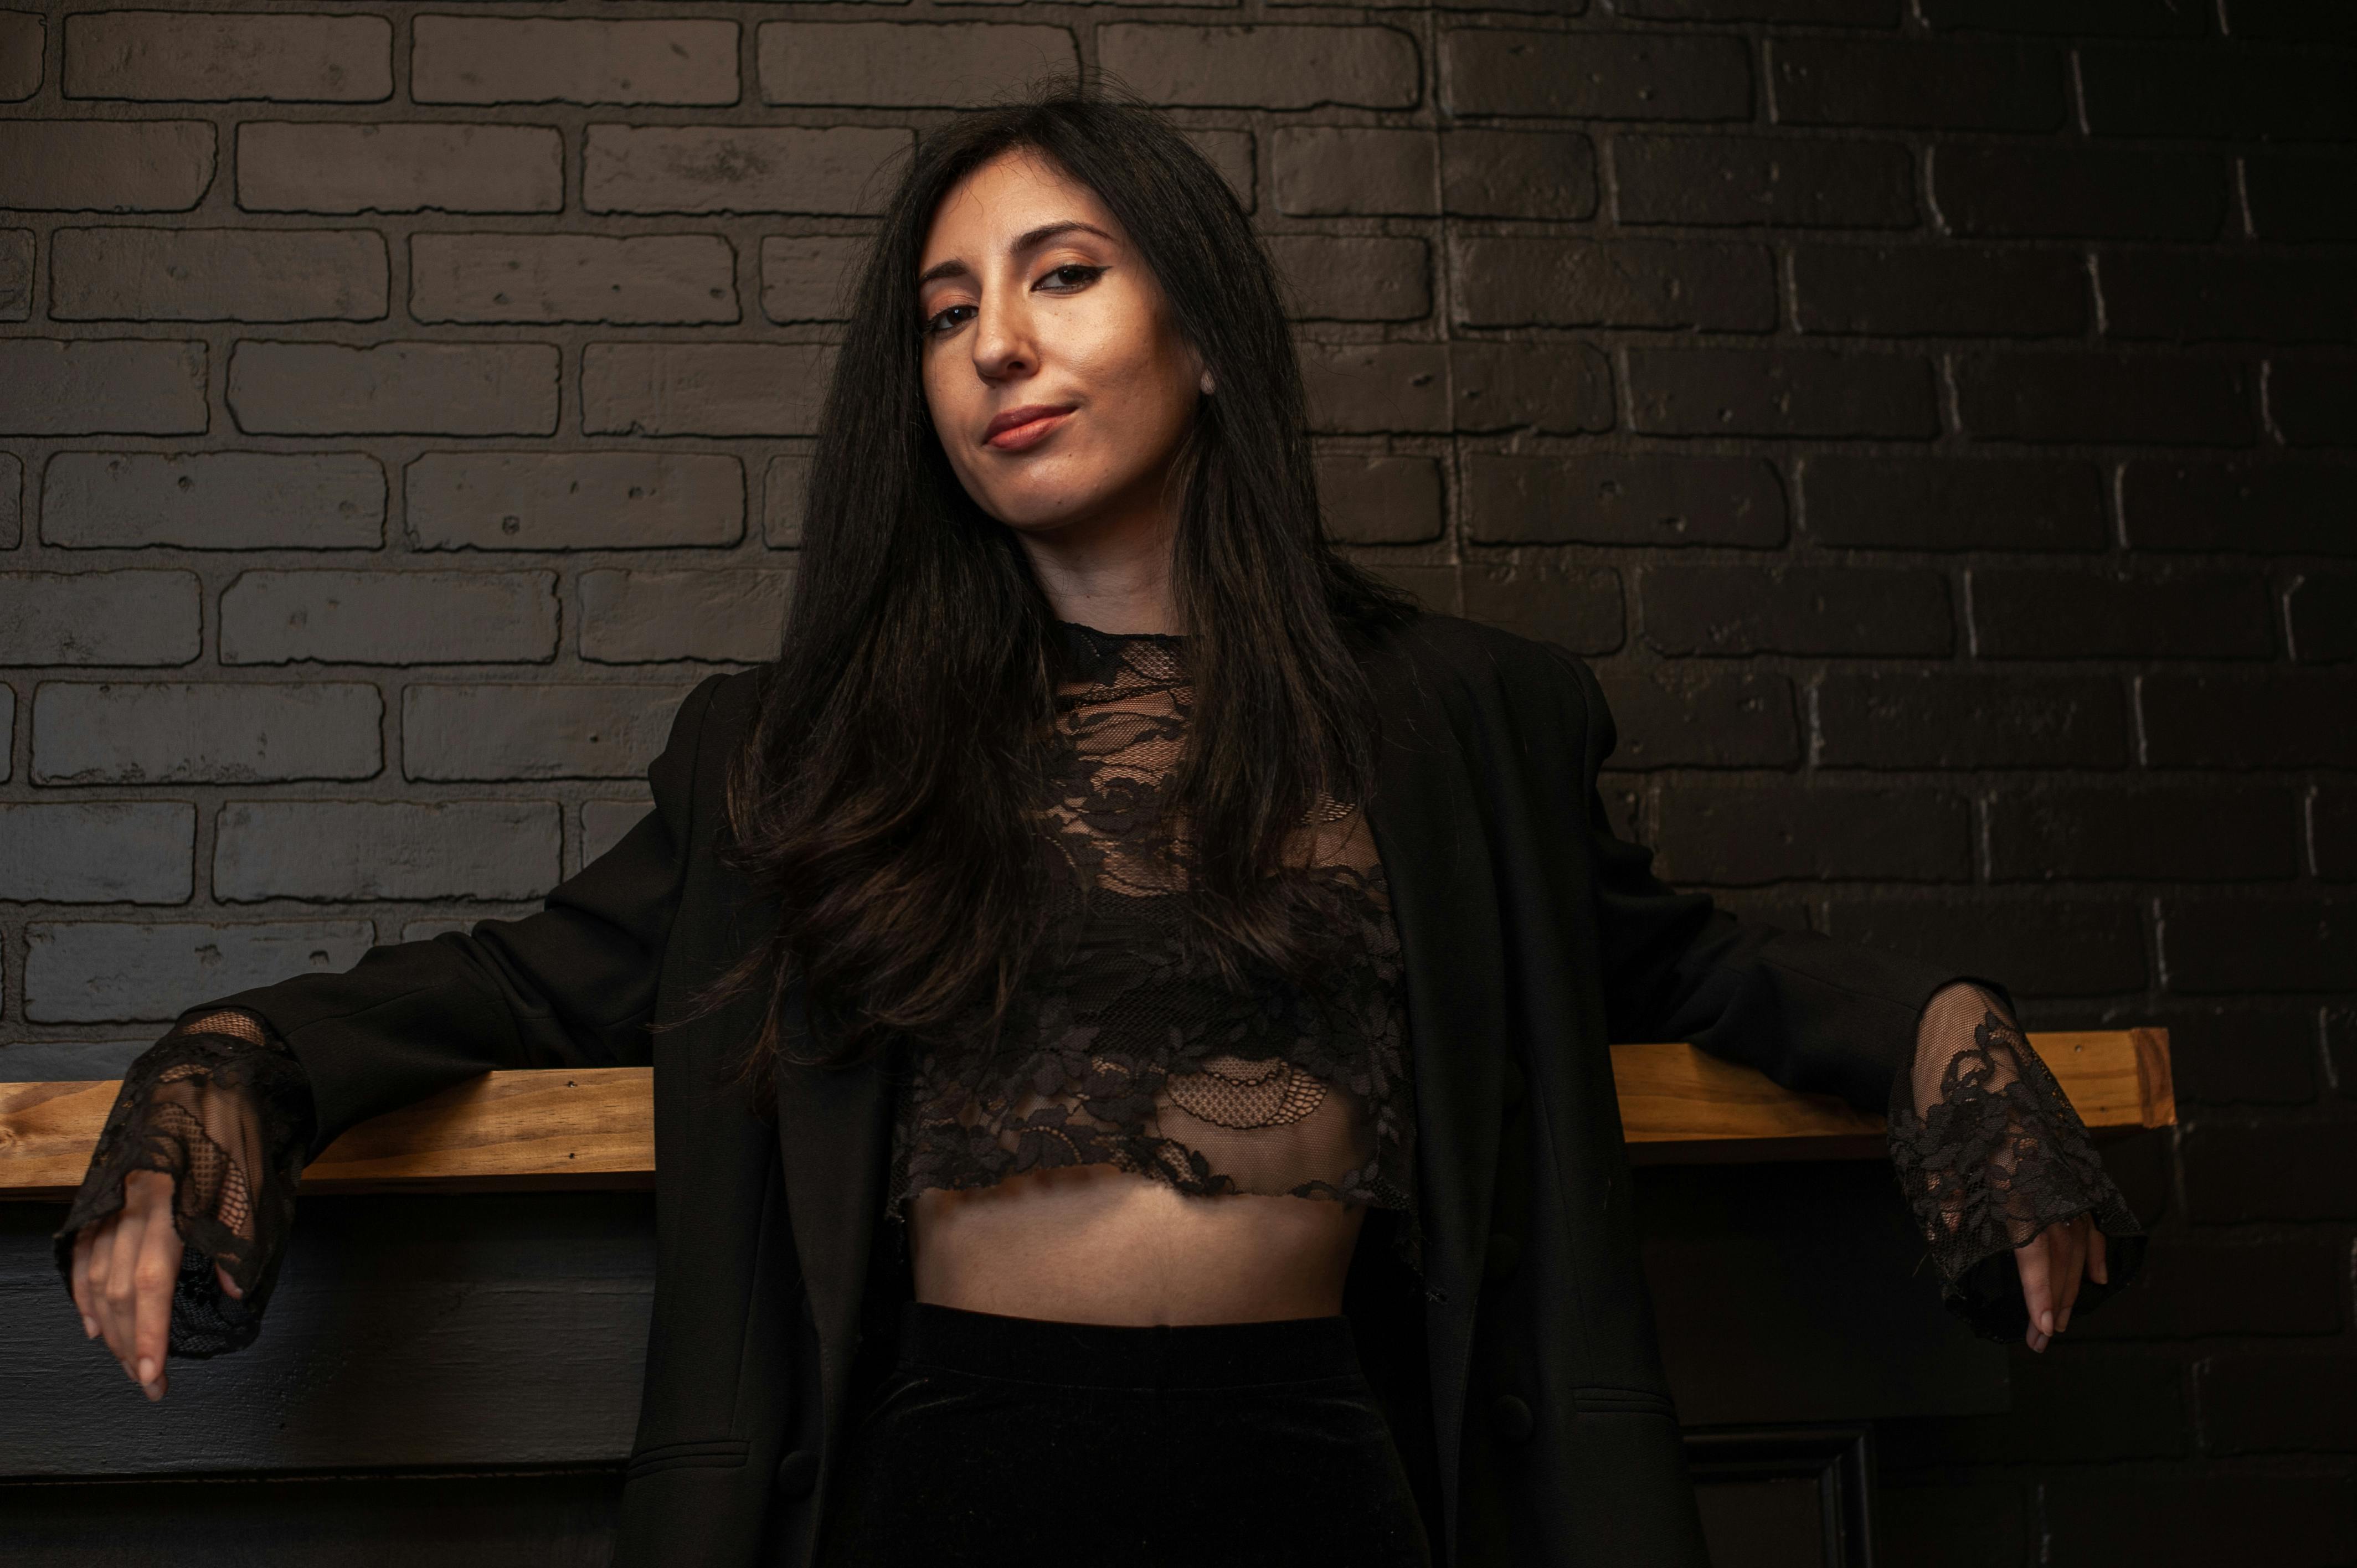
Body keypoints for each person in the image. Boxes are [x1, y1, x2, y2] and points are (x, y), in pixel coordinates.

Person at [55, 86, 2144, 1568]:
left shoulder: (1456, 716)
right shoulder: (798, 748)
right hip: (946, 1458)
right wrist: (225, 1071)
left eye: (1062, 276)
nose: (1000, 347)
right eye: (950, 312)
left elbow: (1680, 959)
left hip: (1325, 1450)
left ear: (1207, 336)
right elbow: (521, 983)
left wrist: (1946, 1038)